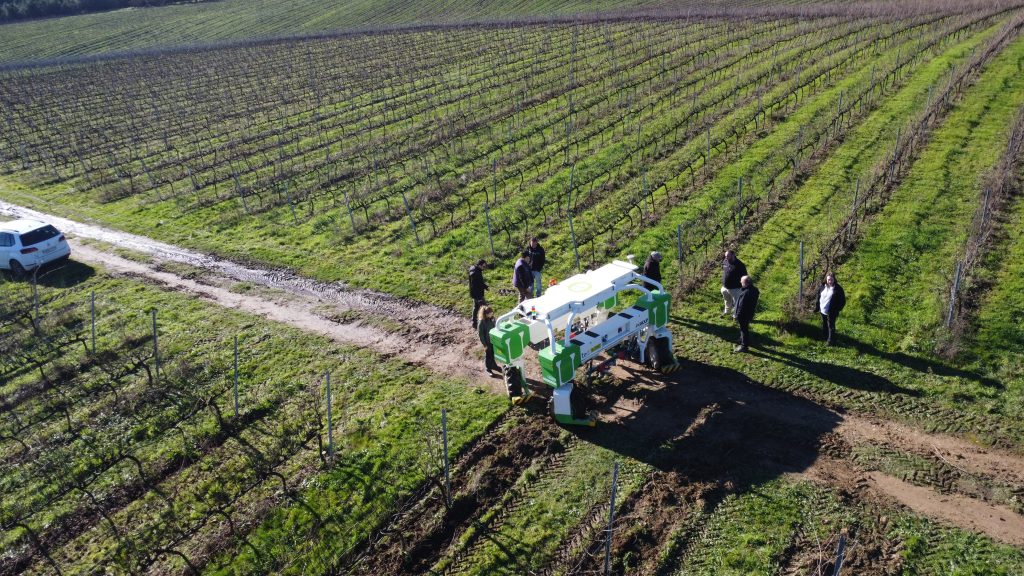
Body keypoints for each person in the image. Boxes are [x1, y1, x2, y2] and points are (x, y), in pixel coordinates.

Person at [815, 272, 846, 345]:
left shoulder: (838, 288)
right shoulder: (823, 286)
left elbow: (843, 301)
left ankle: (831, 341)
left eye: (831, 279)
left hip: (832, 311)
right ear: (826, 279)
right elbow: (818, 297)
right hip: (823, 310)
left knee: (831, 326)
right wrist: (817, 307)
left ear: (834, 279)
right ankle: (824, 336)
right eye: (828, 279)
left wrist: (837, 309)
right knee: (824, 324)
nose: (830, 281)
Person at [734, 275, 759, 353]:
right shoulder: (755, 290)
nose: (740, 282)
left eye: (741, 281)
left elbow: (741, 306)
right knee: (745, 328)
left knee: (744, 329)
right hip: (749, 313)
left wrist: (737, 315)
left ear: (746, 283)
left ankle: (744, 346)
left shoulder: (746, 293)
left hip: (743, 314)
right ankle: (742, 338)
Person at [721, 250, 747, 318]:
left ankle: (735, 315)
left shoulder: (740, 265)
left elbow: (744, 276)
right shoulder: (725, 261)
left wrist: (743, 286)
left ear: (733, 255)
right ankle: (727, 311)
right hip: (725, 287)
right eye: (725, 256)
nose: (726, 257)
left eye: (728, 256)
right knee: (727, 300)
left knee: (737, 303)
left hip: (735, 288)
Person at [477, 306, 501, 375]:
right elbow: (481, 335)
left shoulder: (492, 319)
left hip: (493, 341)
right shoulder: (482, 323)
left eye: (491, 313)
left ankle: (494, 366)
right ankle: (488, 369)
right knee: (488, 356)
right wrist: (485, 345)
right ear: (485, 314)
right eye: (490, 313)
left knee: (493, 354)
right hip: (487, 343)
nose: (491, 314)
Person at [468, 259, 488, 329]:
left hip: (475, 294)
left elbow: (479, 282)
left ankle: (474, 323)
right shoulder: (475, 273)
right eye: (483, 266)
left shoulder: (476, 270)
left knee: (476, 307)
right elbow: (474, 287)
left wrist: (485, 286)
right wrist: (479, 298)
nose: (484, 268)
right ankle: (487, 324)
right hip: (478, 295)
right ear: (479, 265)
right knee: (485, 309)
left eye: (485, 266)